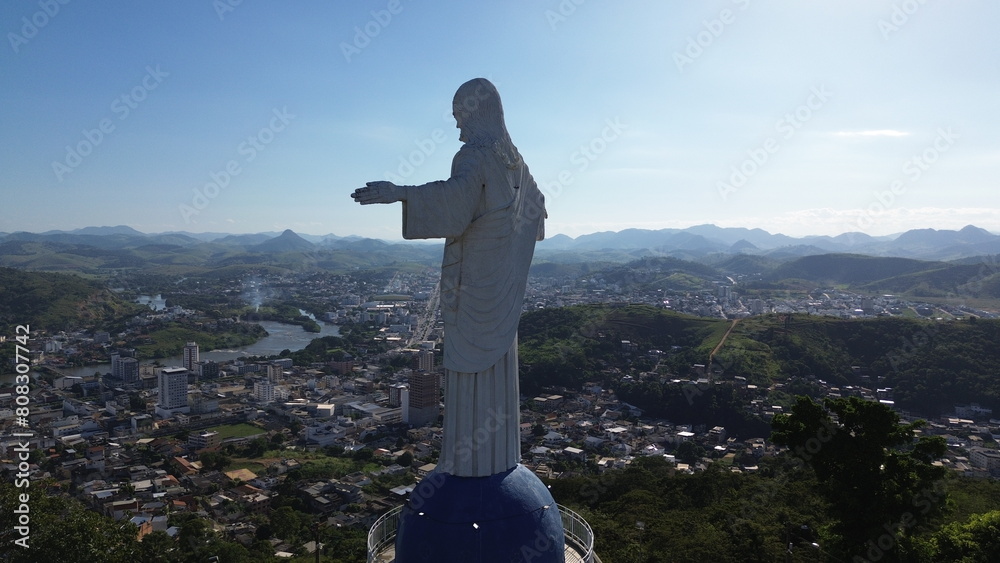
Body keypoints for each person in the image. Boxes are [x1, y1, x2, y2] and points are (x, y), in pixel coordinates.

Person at [351, 78, 545, 477]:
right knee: (498, 363)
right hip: (501, 281)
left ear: (478, 115)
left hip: (475, 279)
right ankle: (500, 463)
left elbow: (455, 204)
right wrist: (506, 229)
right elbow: (537, 215)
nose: (458, 130)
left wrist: (400, 192)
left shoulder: (474, 155)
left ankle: (468, 470)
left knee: (464, 363)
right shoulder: (516, 162)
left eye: (461, 119)